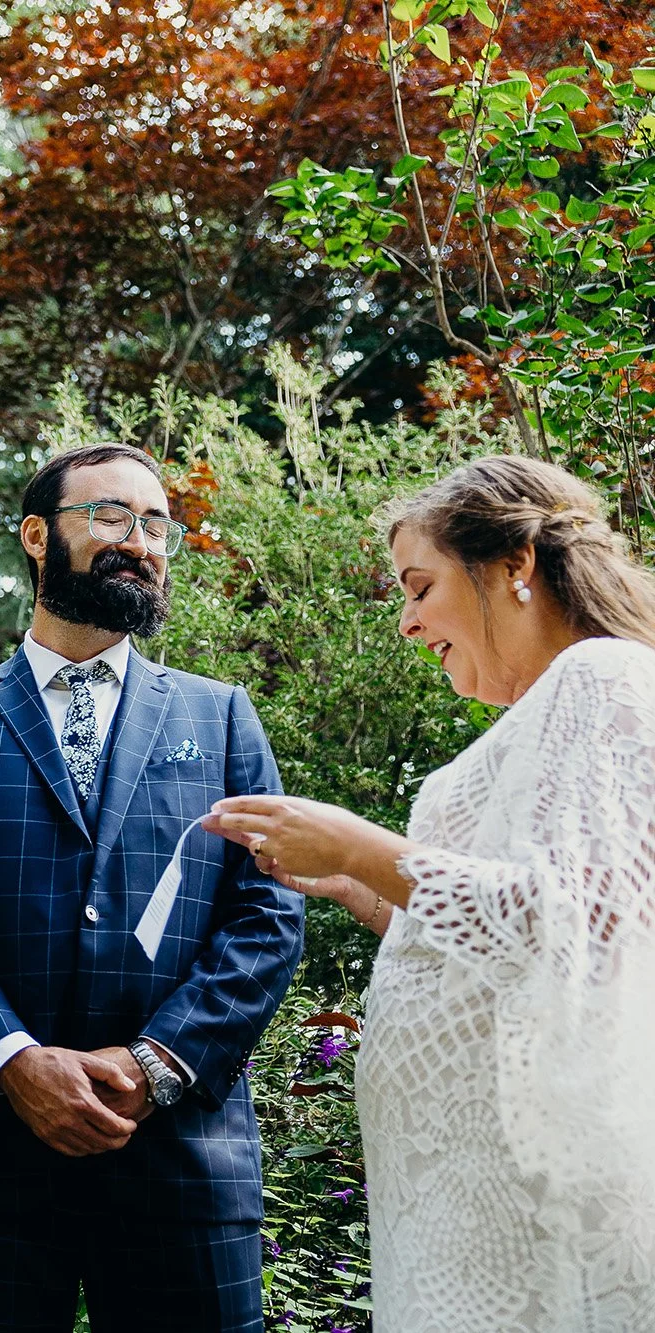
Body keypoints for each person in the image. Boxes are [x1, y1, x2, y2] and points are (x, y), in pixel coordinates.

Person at [205, 455, 655, 1333]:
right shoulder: (534, 720)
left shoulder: (606, 678)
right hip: (459, 1207)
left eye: (420, 587)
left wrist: (361, 844)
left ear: (516, 563)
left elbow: (577, 925)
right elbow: (484, 948)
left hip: (535, 1206)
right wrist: (360, 885)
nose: (408, 622)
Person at [0, 442, 304, 1332]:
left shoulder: (221, 715)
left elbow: (268, 912)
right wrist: (14, 1061)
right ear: (37, 536)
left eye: (156, 525)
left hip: (183, 1163)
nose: (139, 541)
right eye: (111, 516)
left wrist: (156, 1064)